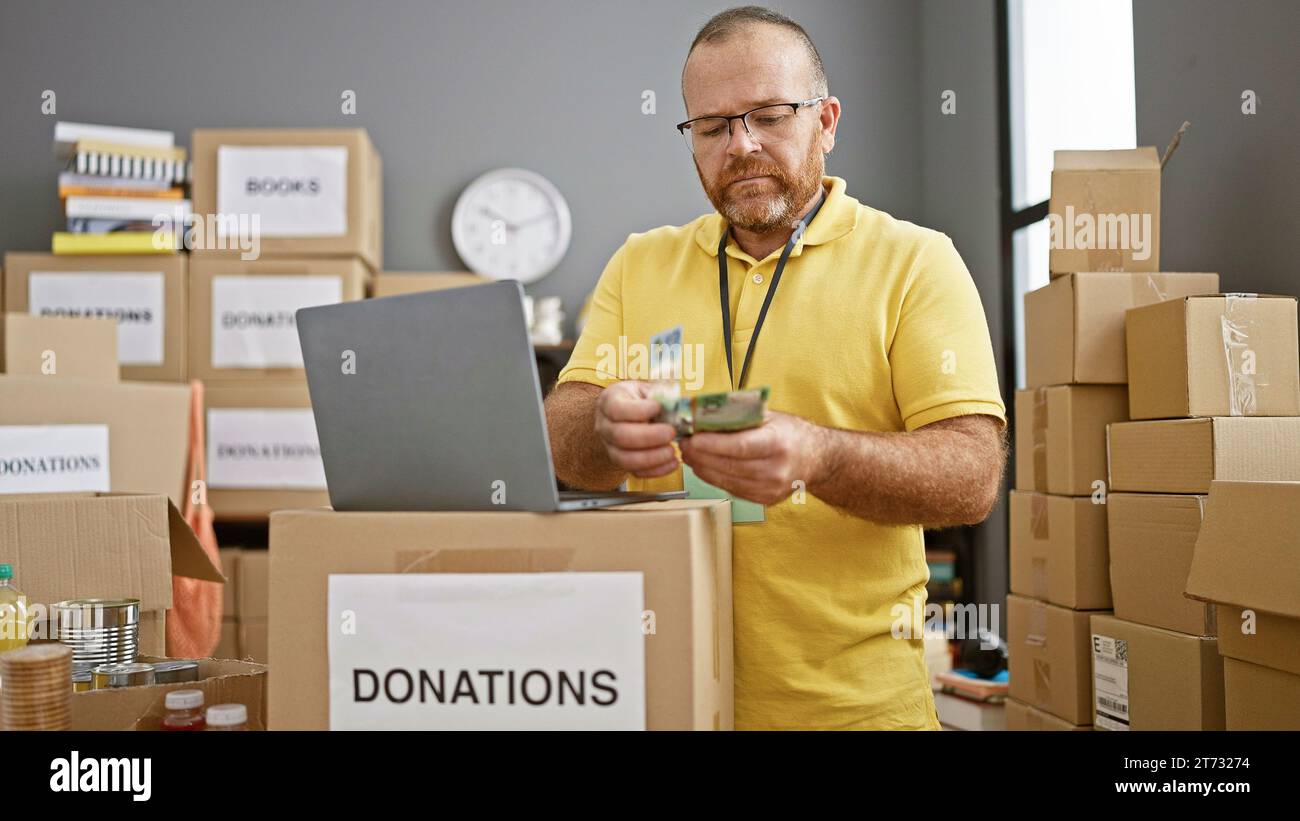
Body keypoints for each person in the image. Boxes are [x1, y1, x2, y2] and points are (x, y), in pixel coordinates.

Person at [545, 6, 1006, 730]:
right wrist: (602, 429)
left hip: (857, 712)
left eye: (768, 114)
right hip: (658, 699)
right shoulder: (639, 263)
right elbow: (562, 434)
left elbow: (973, 476)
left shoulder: (917, 261)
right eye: (713, 126)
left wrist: (820, 455)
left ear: (825, 121)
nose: (741, 145)